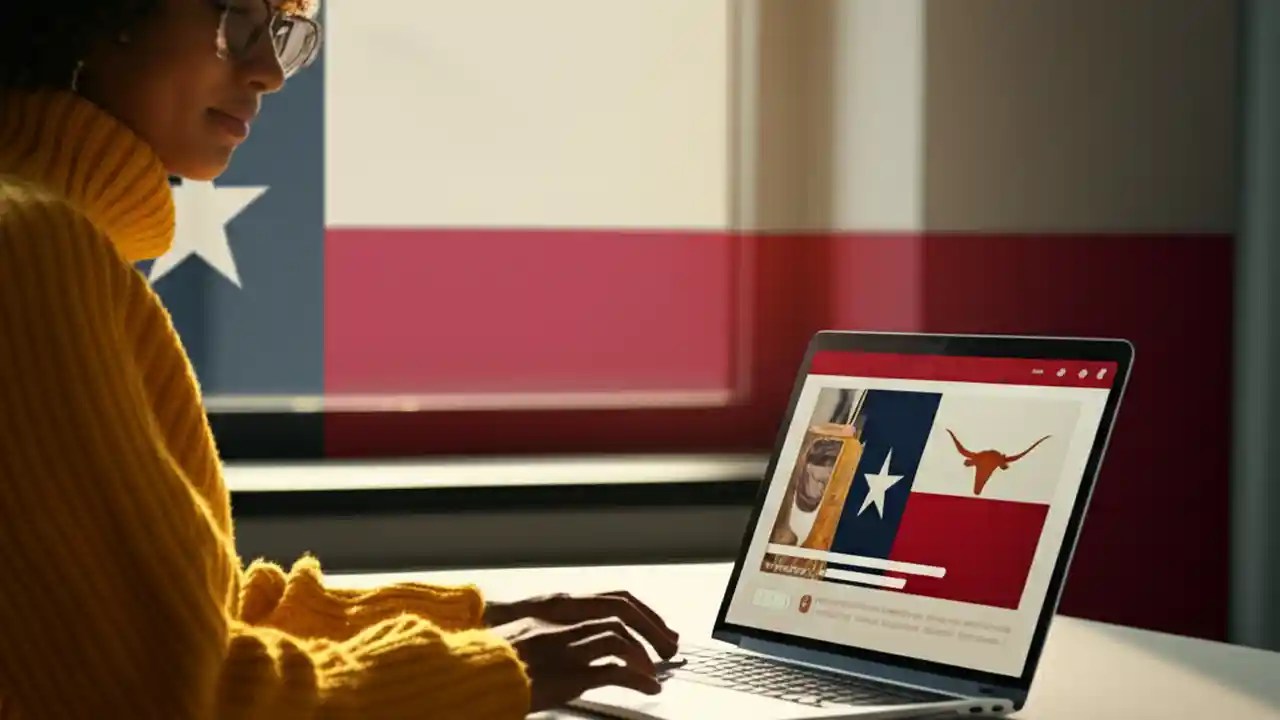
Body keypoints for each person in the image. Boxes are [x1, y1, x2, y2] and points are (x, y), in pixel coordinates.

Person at [0, 1, 678, 717]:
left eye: (285, 38)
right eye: (238, 22)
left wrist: (476, 619)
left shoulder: (49, 233)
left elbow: (198, 613)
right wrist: (490, 671)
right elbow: (178, 694)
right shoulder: (29, 246)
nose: (268, 73)